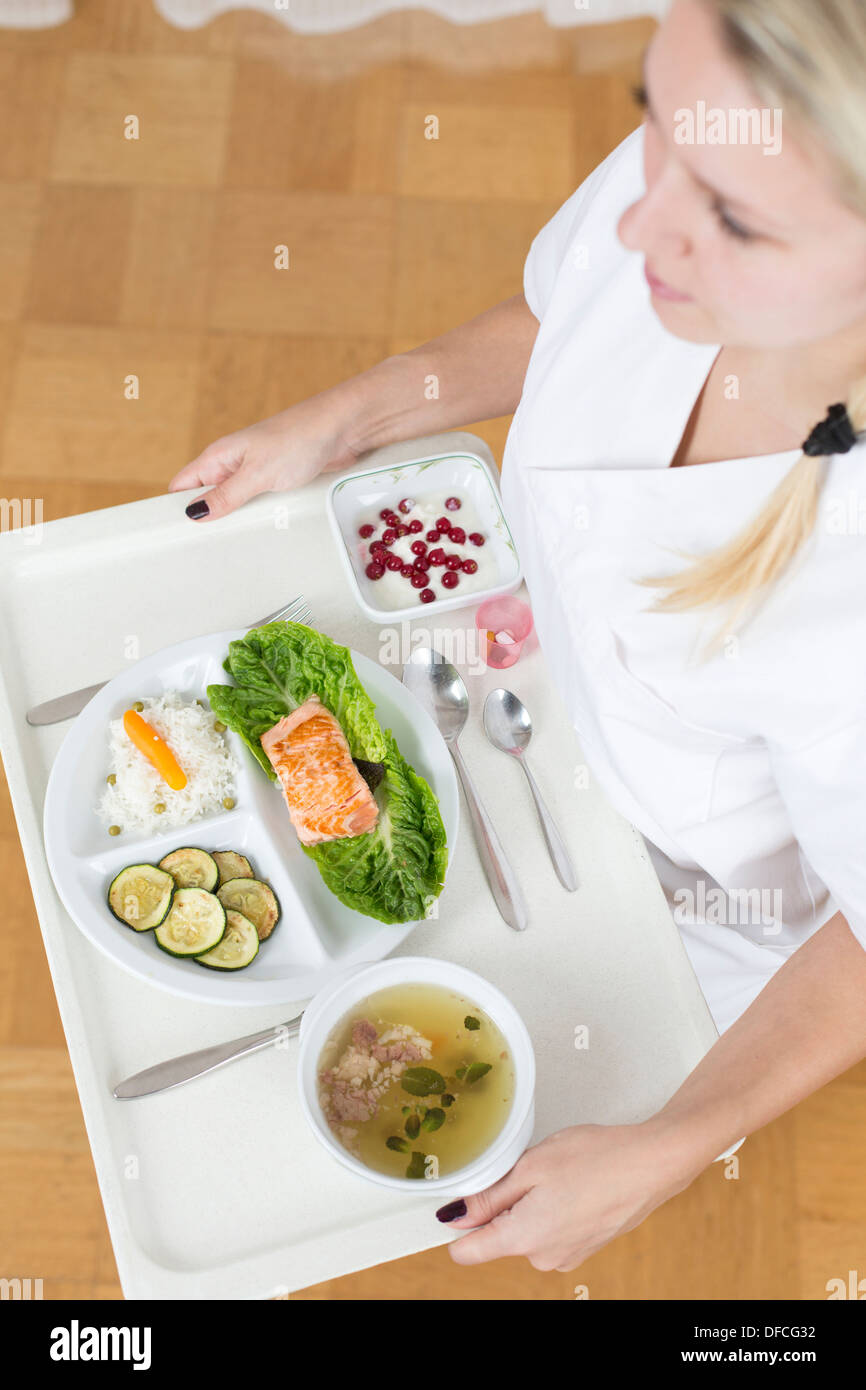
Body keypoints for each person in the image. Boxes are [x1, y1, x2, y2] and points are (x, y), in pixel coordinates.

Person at [169, 0, 866, 1273]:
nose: (645, 221)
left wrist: (672, 1142)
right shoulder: (698, 174)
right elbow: (564, 315)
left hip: (691, 915)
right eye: (651, 122)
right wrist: (349, 415)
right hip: (520, 695)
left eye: (737, 220)